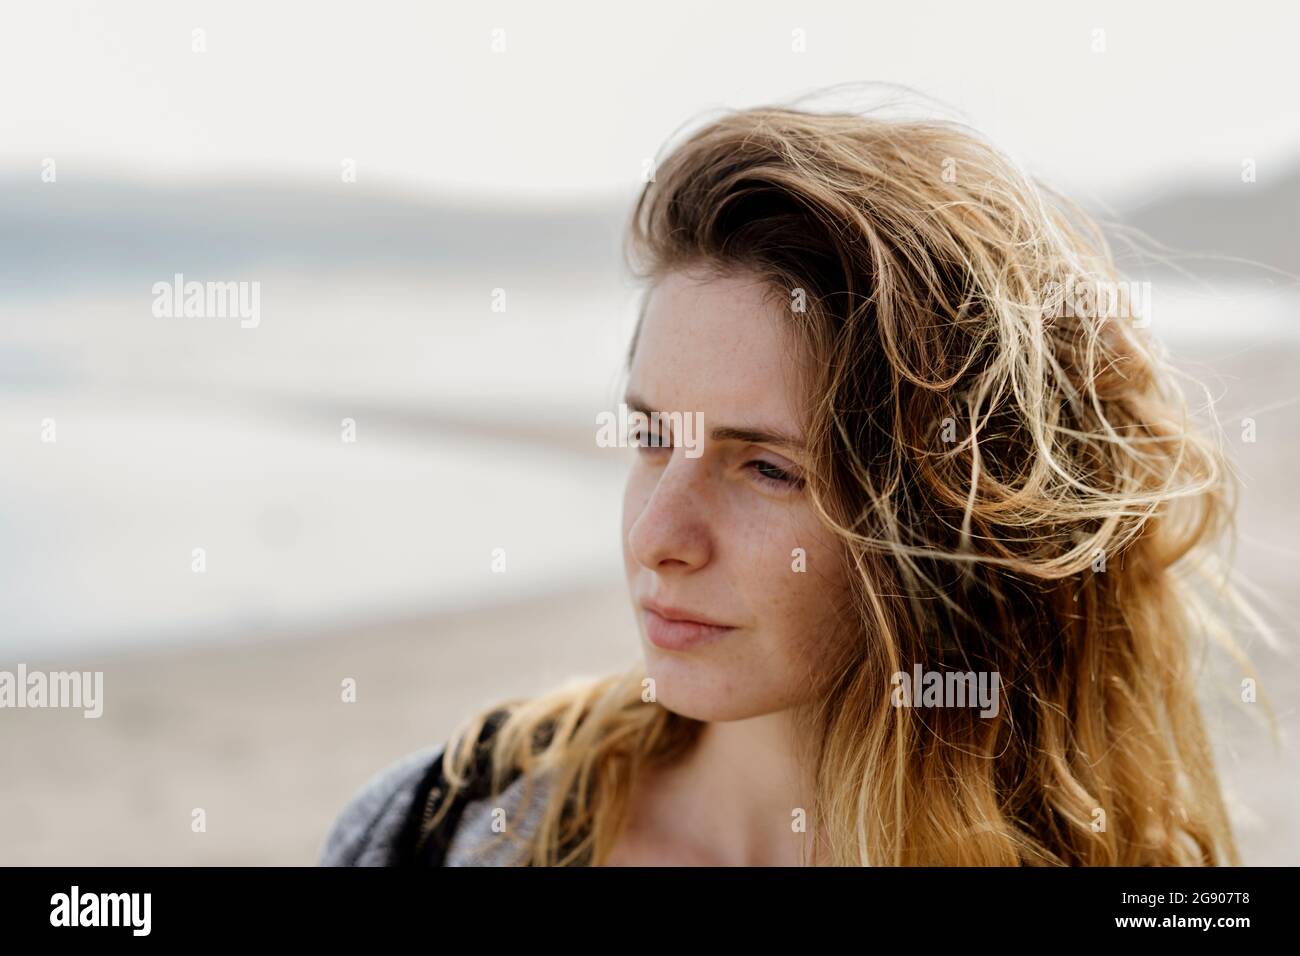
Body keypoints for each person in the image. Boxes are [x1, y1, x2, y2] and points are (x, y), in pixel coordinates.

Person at [320, 98, 1251, 867]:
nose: (657, 537)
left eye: (767, 468)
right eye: (651, 437)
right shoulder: (439, 827)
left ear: (956, 521)